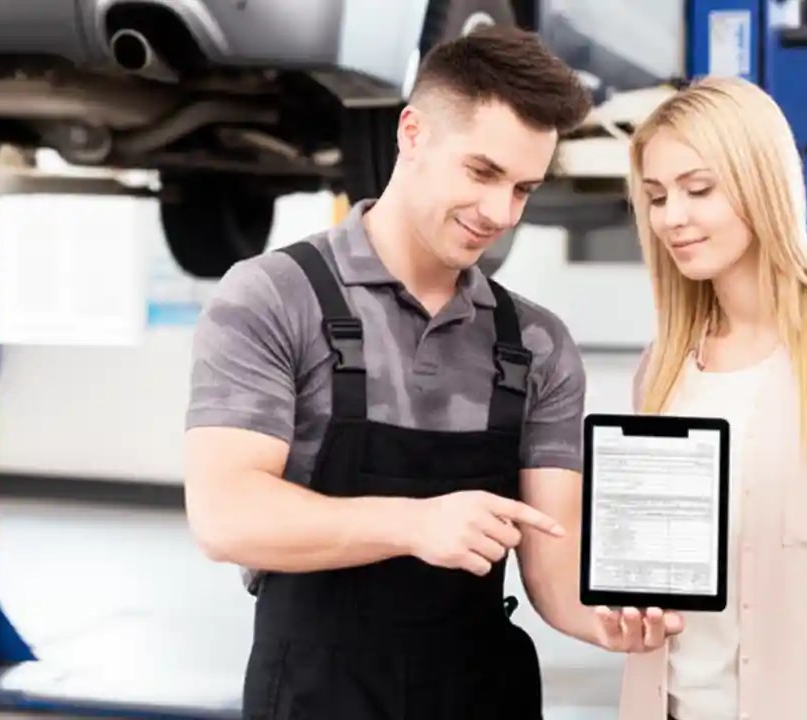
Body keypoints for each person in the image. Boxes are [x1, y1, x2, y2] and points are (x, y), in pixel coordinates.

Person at [183, 25, 683, 720]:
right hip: (316, 694)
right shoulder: (274, 297)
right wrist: (417, 526)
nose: (499, 214)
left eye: (523, 189)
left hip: (480, 693)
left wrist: (607, 618)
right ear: (412, 134)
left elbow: (551, 564)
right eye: (481, 173)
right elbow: (226, 516)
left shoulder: (536, 344)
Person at [615, 76, 807, 720]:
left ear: (760, 184)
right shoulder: (664, 368)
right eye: (656, 196)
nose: (672, 216)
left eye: (698, 189)